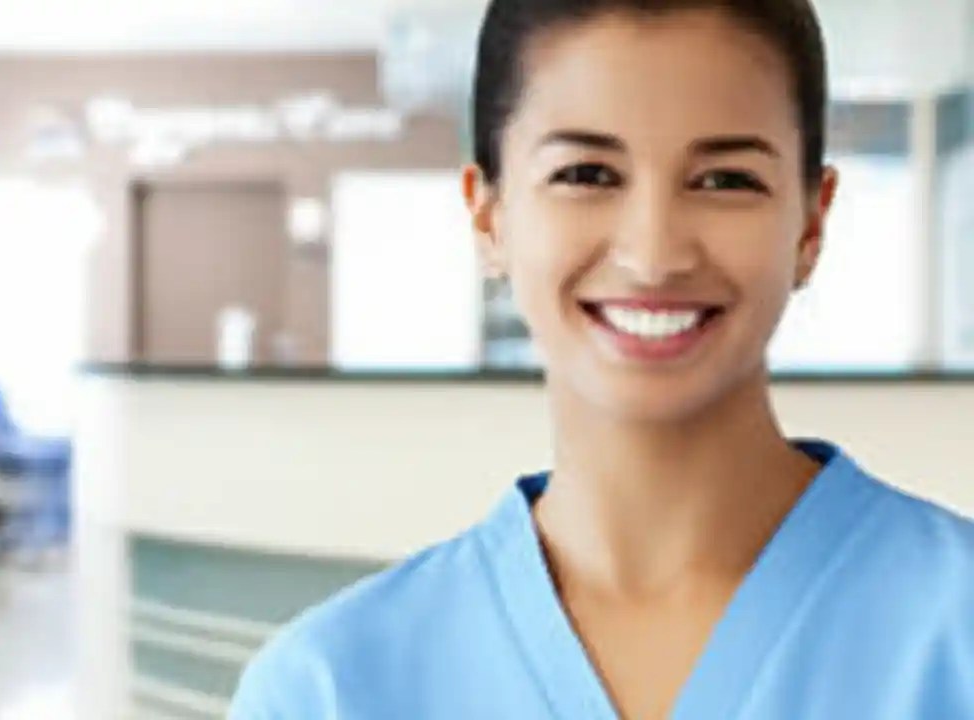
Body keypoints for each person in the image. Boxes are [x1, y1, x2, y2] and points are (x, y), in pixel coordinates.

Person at [229, 0, 974, 717]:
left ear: (811, 224)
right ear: (488, 216)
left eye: (724, 180)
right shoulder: (328, 689)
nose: (653, 255)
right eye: (586, 175)